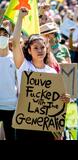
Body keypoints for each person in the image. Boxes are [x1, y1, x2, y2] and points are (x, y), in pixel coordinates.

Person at [12, 8, 70, 140]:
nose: (40, 50)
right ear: (29, 51)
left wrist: (64, 99)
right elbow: (15, 43)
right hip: (25, 124)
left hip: (45, 126)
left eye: (42, 47)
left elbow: (57, 101)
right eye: (35, 48)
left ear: (47, 49)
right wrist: (20, 18)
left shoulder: (52, 72)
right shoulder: (24, 66)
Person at [0, 24, 16, 140]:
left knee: (11, 136)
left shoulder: (15, 58)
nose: (2, 37)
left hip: (11, 106)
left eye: (5, 34)